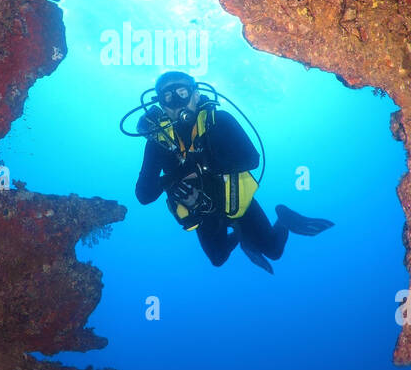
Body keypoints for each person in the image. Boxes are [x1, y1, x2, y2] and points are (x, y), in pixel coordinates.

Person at [134, 71, 333, 272]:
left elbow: (252, 159)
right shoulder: (157, 144)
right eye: (167, 96)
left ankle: (283, 218)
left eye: (182, 92)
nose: (176, 102)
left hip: (238, 200)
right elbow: (144, 195)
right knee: (218, 258)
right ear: (161, 104)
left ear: (195, 95)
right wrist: (176, 179)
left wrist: (199, 165)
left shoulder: (219, 121)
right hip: (202, 210)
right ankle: (242, 237)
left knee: (274, 251)